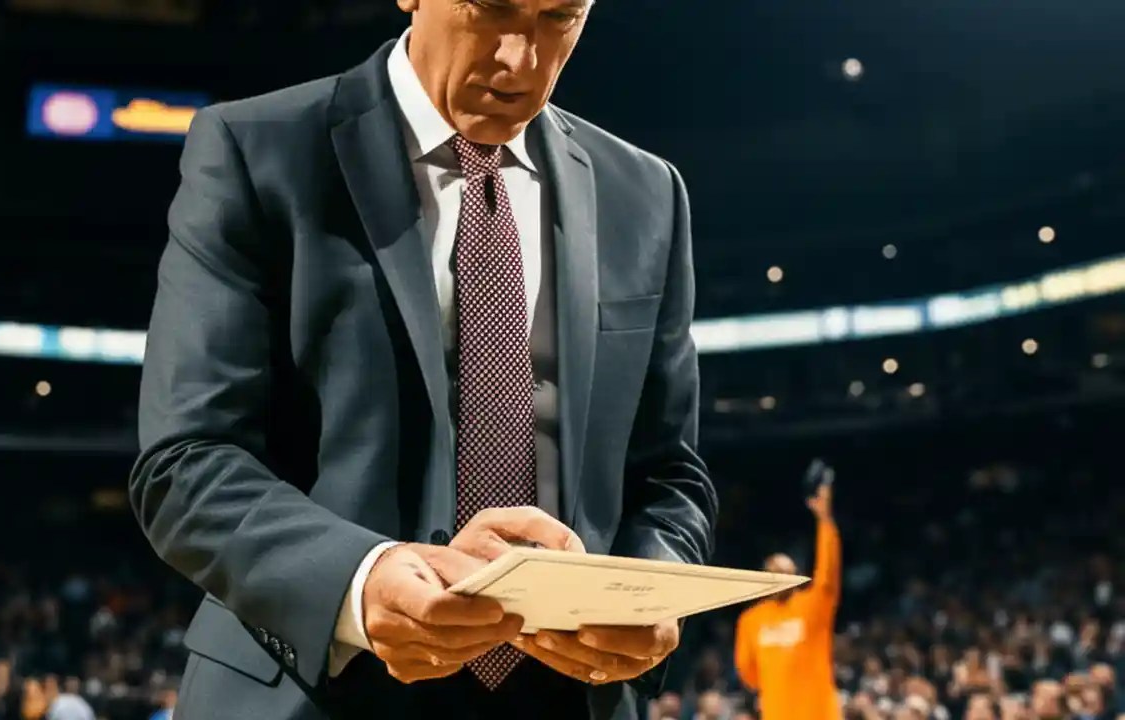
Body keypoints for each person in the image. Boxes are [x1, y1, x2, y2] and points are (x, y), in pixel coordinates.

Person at [129, 0, 717, 718]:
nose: (520, 62)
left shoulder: (648, 194)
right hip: (319, 687)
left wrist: (648, 591)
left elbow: (671, 475)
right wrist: (359, 580)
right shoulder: (258, 148)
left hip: (568, 698)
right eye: (493, 9)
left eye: (559, 17)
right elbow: (185, 460)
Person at [734, 484, 840, 720]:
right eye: (774, 571)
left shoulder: (812, 605)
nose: (781, 575)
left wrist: (825, 520)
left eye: (785, 571)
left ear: (796, 576)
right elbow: (748, 672)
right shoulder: (751, 620)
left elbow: (828, 575)